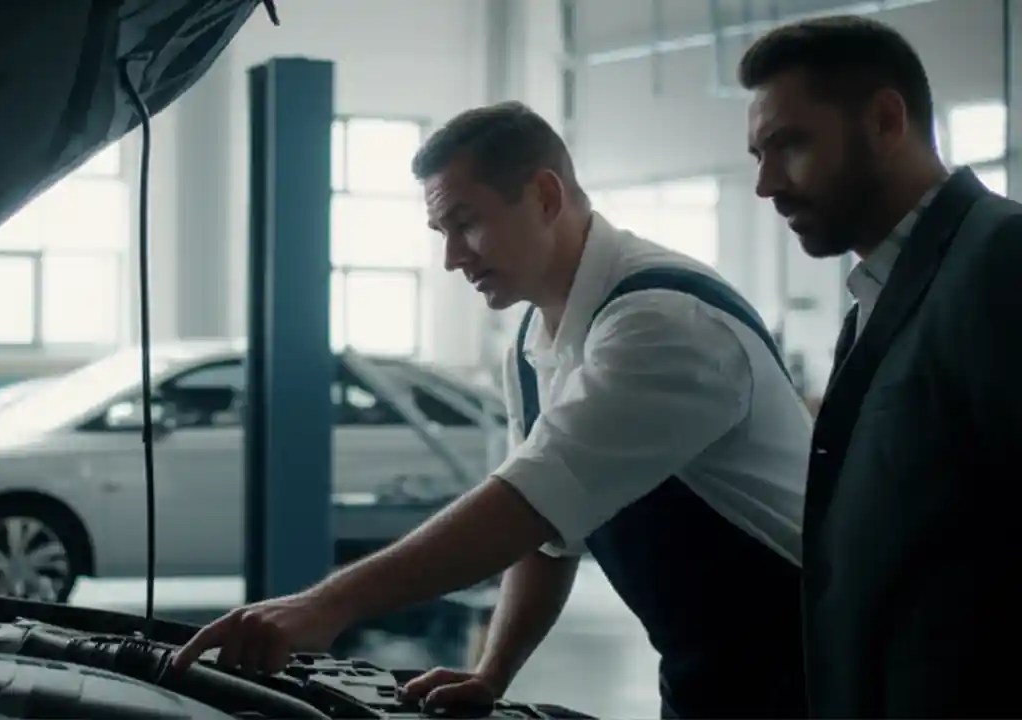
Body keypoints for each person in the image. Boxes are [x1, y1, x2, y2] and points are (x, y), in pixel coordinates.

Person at [171, 102, 814, 718]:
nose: (452, 257)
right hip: (707, 672)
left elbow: (529, 501)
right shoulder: (537, 337)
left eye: (465, 223)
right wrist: (492, 674)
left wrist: (326, 605)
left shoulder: (664, 321)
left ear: (544, 196)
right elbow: (549, 529)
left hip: (811, 666)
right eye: (442, 232)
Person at [739, 16, 1022, 718]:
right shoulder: (879, 292)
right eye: (757, 155)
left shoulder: (1001, 260)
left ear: (886, 120)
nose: (766, 184)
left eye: (791, 145)